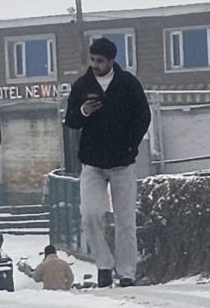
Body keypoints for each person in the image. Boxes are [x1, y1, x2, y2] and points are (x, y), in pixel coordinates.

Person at [64, 35, 152, 286]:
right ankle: (104, 263)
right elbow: (70, 120)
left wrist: (130, 144)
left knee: (126, 220)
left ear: (111, 60)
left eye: (99, 60)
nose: (95, 64)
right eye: (92, 59)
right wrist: (83, 111)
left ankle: (126, 273)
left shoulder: (128, 84)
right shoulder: (82, 85)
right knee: (89, 214)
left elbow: (143, 116)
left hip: (123, 161)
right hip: (92, 161)